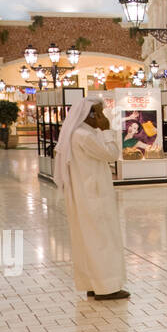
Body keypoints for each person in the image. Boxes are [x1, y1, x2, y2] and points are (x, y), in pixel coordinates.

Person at [56, 95, 129, 300]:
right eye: (99, 112)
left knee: (87, 239)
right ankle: (107, 287)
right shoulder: (85, 136)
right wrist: (106, 130)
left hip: (84, 195)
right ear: (91, 114)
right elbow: (112, 154)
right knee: (102, 239)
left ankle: (93, 283)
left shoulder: (77, 133)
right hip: (94, 195)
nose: (102, 116)